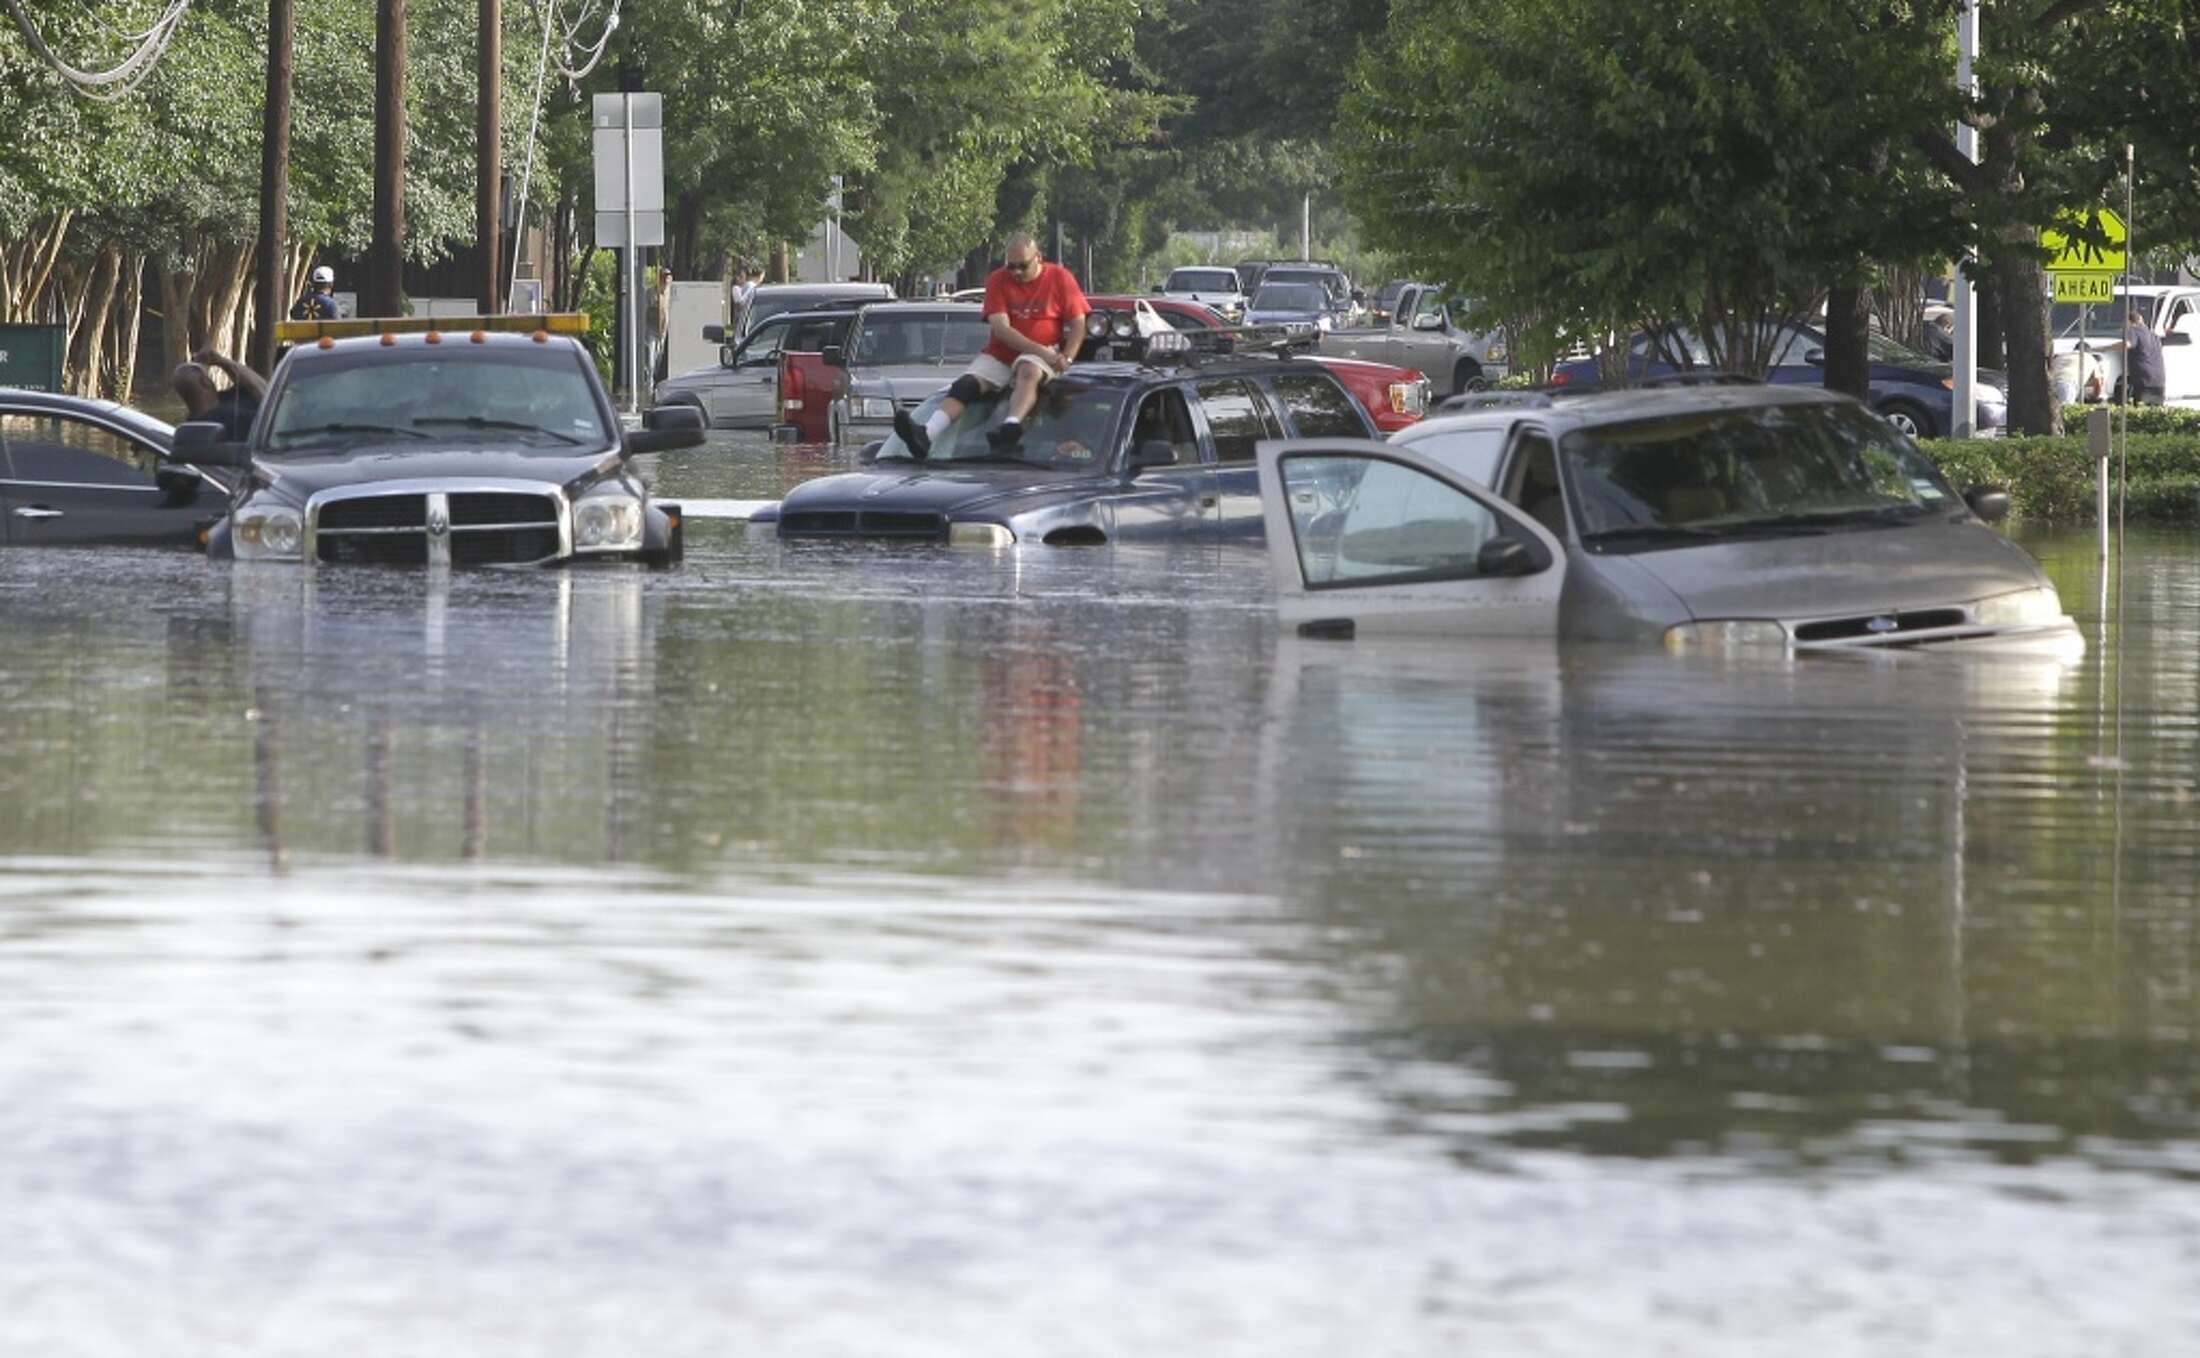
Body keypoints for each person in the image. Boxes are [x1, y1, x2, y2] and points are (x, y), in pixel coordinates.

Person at [893, 231, 1086, 458]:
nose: (1016, 273)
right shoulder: (997, 279)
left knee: (1028, 371)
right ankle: (926, 434)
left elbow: (1077, 324)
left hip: (1042, 355)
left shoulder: (1060, 278)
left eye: (1023, 266)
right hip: (1005, 353)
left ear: (1038, 257)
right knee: (965, 385)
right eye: (1011, 266)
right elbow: (1002, 330)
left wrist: (1067, 357)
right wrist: (1042, 351)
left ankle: (1011, 426)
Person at [172, 348, 268, 440]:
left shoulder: (192, 424)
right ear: (205, 382)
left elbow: (251, 384)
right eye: (208, 376)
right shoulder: (228, 420)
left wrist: (222, 362)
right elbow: (266, 396)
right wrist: (223, 362)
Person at [2122, 307, 2166, 405]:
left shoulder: (2133, 330)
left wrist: (2104, 348)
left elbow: (2127, 344)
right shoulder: (2154, 335)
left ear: (2129, 322)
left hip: (2143, 380)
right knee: (2156, 414)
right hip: (2159, 381)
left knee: (2141, 413)